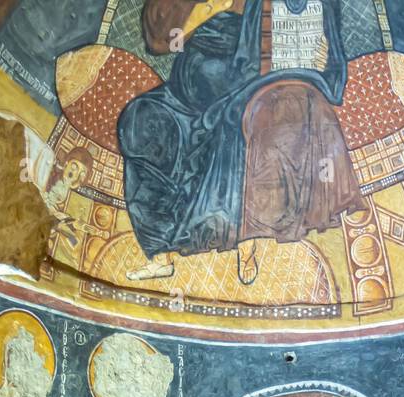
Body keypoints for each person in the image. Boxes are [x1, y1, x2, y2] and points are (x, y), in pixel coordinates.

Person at [118, 0, 363, 283]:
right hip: (183, 97)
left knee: (240, 124)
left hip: (239, 89)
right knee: (140, 120)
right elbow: (163, 44)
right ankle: (161, 251)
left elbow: (299, 41)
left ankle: (243, 239)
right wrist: (208, 9)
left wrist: (319, 58)